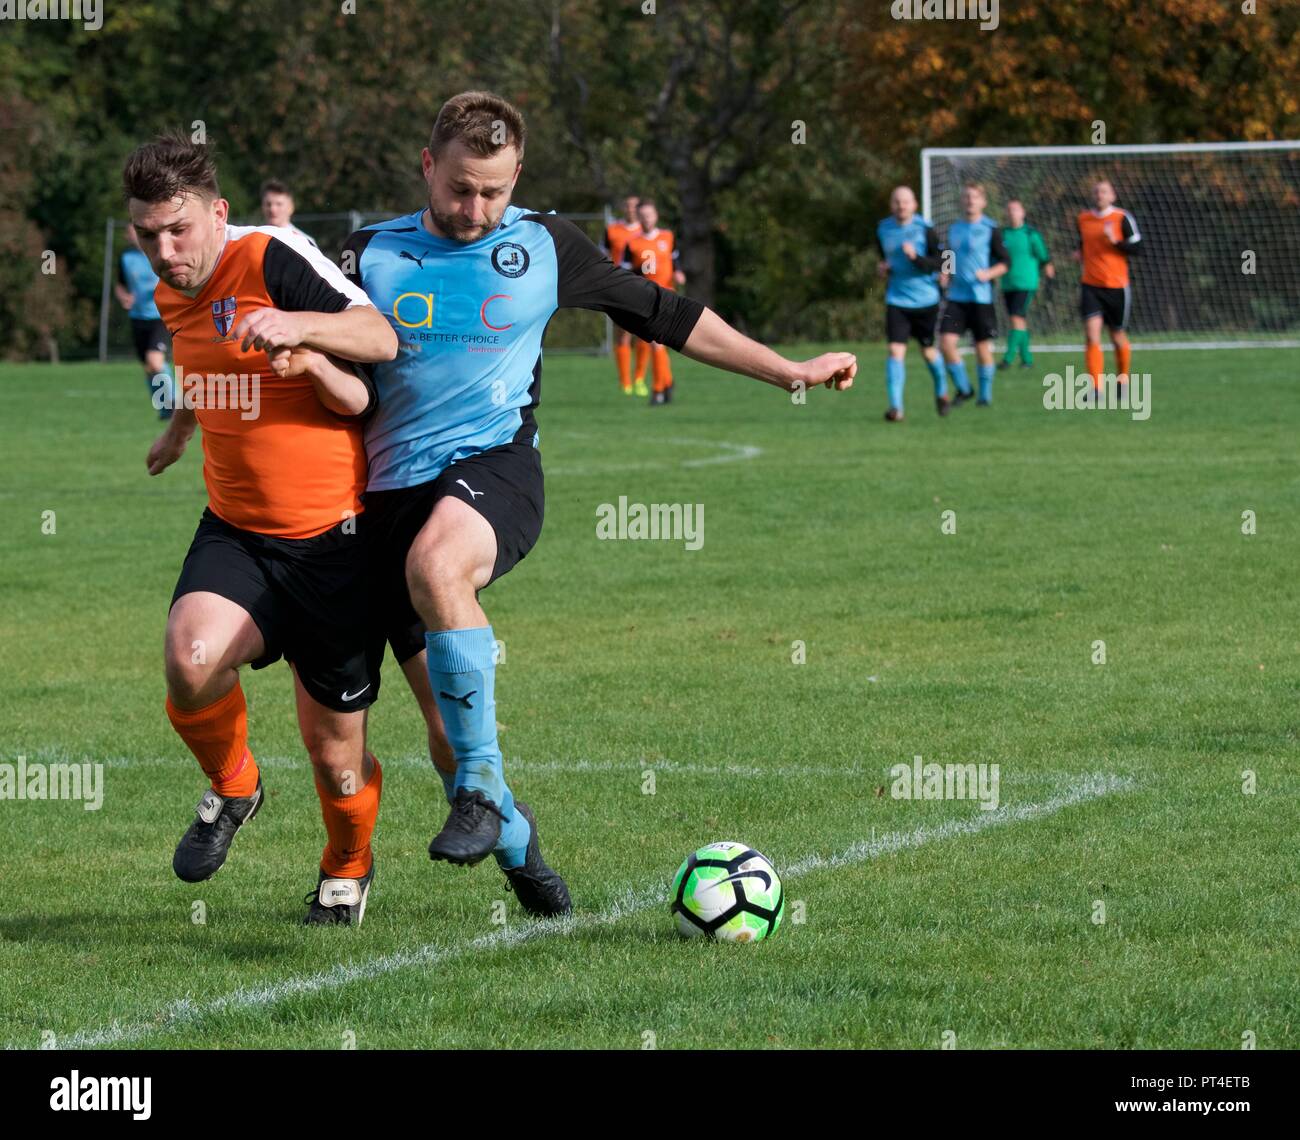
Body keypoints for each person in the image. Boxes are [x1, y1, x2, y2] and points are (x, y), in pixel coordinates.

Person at [342, 90, 855, 917]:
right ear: (428, 167)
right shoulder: (366, 254)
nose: (476, 208)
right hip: (387, 496)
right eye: (461, 187)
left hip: (494, 468)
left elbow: (667, 317)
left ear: (519, 180)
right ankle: (520, 849)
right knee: (445, 728)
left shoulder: (544, 244)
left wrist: (788, 370)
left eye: (495, 191)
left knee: (441, 567)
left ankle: (476, 792)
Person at [125, 132, 398, 925]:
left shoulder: (271, 254)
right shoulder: (173, 286)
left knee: (335, 757)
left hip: (332, 540)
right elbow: (199, 349)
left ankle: (347, 866)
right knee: (190, 657)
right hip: (237, 529)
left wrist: (297, 330)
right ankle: (235, 786)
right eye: (147, 234)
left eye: (178, 229)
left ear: (218, 212)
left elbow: (379, 337)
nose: (164, 251)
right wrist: (180, 430)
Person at [875, 185, 948, 421]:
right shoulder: (883, 229)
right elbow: (883, 259)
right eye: (897, 201)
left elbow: (942, 262)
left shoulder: (925, 229)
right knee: (895, 350)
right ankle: (896, 408)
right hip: (897, 299)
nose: (901, 206)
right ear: (891, 204)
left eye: (905, 201)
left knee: (928, 353)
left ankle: (942, 391)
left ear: (914, 204)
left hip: (926, 300)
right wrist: (883, 269)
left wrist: (916, 258)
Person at [937, 183, 1009, 407]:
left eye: (974, 197)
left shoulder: (991, 228)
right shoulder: (954, 228)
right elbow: (948, 254)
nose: (970, 200)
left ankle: (984, 396)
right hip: (957, 297)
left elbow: (1005, 262)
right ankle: (965, 388)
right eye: (966, 196)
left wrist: (988, 273)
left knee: (981, 347)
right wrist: (945, 273)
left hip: (980, 298)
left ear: (983, 201)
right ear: (962, 200)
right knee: (946, 343)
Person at [1072, 178, 1142, 401]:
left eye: (1104, 191)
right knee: (1092, 336)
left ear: (1112, 196)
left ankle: (1122, 379)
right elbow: (1082, 243)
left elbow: (1138, 247)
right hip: (1090, 285)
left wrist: (1116, 242)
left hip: (1116, 286)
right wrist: (1079, 254)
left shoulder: (1122, 218)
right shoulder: (1083, 218)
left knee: (1117, 335)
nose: (1099, 195)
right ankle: (1096, 388)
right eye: (1096, 191)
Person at [619, 198, 686, 403]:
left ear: (656, 216)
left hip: (668, 295)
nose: (647, 219)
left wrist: (678, 272)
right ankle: (665, 384)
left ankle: (659, 390)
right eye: (643, 216)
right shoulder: (632, 243)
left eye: (650, 215)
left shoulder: (667, 236)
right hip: (647, 297)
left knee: (658, 343)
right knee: (658, 343)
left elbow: (674, 260)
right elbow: (625, 271)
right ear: (639, 218)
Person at [114, 222, 173, 418]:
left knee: (155, 362)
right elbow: (121, 285)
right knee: (149, 367)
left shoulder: (161, 253)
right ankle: (164, 409)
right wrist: (124, 297)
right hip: (138, 317)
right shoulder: (126, 258)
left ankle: (174, 403)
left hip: (161, 316)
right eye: (131, 231)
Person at [998, 198, 1054, 370]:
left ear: (1023, 212)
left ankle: (1007, 359)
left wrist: (1048, 268)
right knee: (1018, 321)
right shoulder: (1002, 234)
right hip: (1007, 283)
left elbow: (1043, 256)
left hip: (1026, 283)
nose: (1012, 212)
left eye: (1015, 209)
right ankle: (1027, 360)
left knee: (1016, 319)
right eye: (1009, 209)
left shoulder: (1030, 234)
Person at [602, 195, 644, 396]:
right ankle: (625, 381)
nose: (631, 209)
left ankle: (640, 378)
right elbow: (603, 255)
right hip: (620, 287)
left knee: (646, 334)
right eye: (628, 205)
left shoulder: (647, 231)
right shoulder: (612, 230)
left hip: (644, 286)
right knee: (623, 334)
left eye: (635, 206)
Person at [260, 178, 319, 249]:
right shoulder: (253, 238)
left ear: (291, 207)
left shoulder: (305, 242)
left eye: (279, 204)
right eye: (268, 204)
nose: (272, 209)